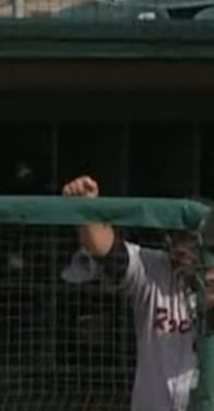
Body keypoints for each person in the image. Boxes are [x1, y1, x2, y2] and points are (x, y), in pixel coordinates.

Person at [61, 175, 214, 411]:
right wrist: (86, 206)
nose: (181, 247)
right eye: (176, 237)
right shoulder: (154, 269)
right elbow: (107, 251)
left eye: (189, 239)